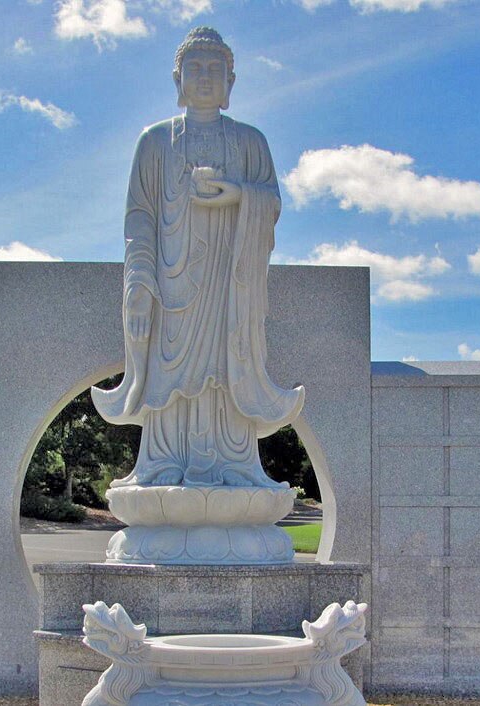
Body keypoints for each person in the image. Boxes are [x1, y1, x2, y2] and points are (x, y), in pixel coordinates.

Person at [92, 27, 304, 489]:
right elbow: (138, 221)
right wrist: (140, 288)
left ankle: (234, 463)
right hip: (172, 289)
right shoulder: (154, 143)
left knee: (229, 366)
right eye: (195, 68)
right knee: (169, 372)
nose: (205, 77)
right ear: (177, 79)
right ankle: (162, 462)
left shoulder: (251, 143)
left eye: (215, 70)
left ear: (231, 82)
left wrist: (239, 196)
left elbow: (271, 202)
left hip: (231, 285)